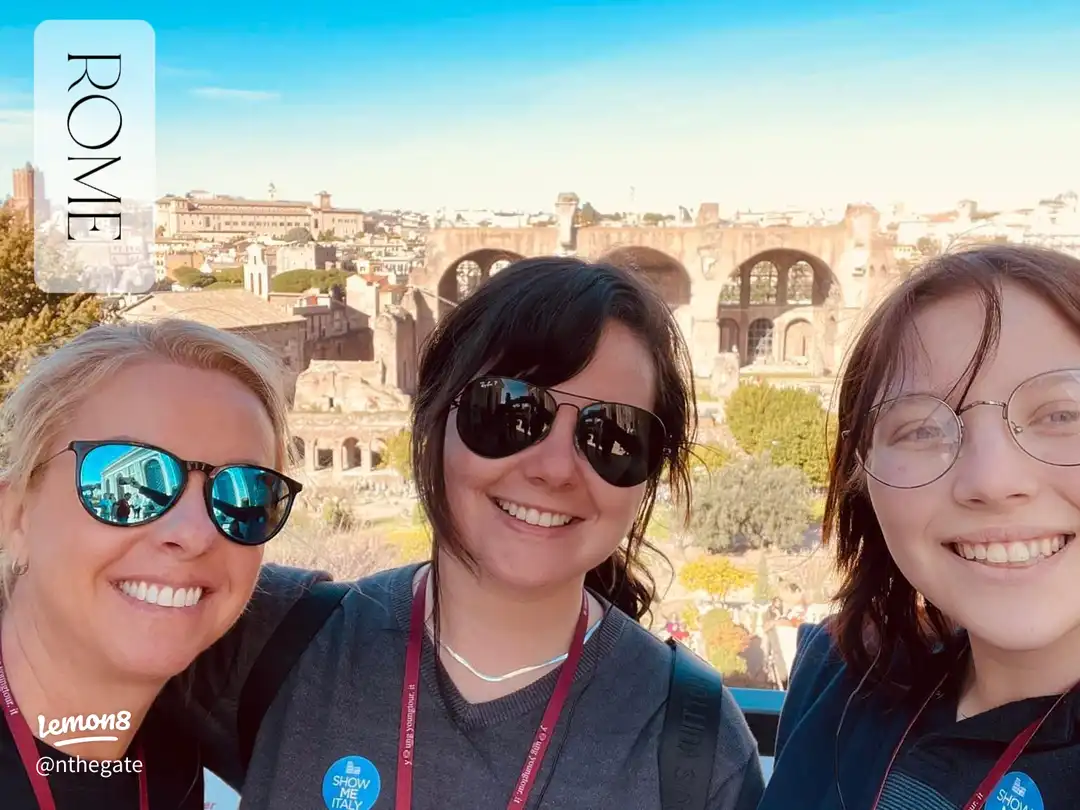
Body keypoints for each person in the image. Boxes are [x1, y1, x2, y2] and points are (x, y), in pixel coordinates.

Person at [178, 256, 765, 810]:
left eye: (611, 435)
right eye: (510, 412)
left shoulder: (697, 746)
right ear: (434, 419)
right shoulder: (261, 638)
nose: (555, 468)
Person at [759, 244, 1080, 810]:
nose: (992, 480)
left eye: (1062, 414)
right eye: (923, 430)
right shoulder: (841, 679)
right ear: (860, 477)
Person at [0, 319, 303, 809]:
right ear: (16, 517)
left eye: (242, 496)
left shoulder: (184, 769)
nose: (195, 534)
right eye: (128, 486)